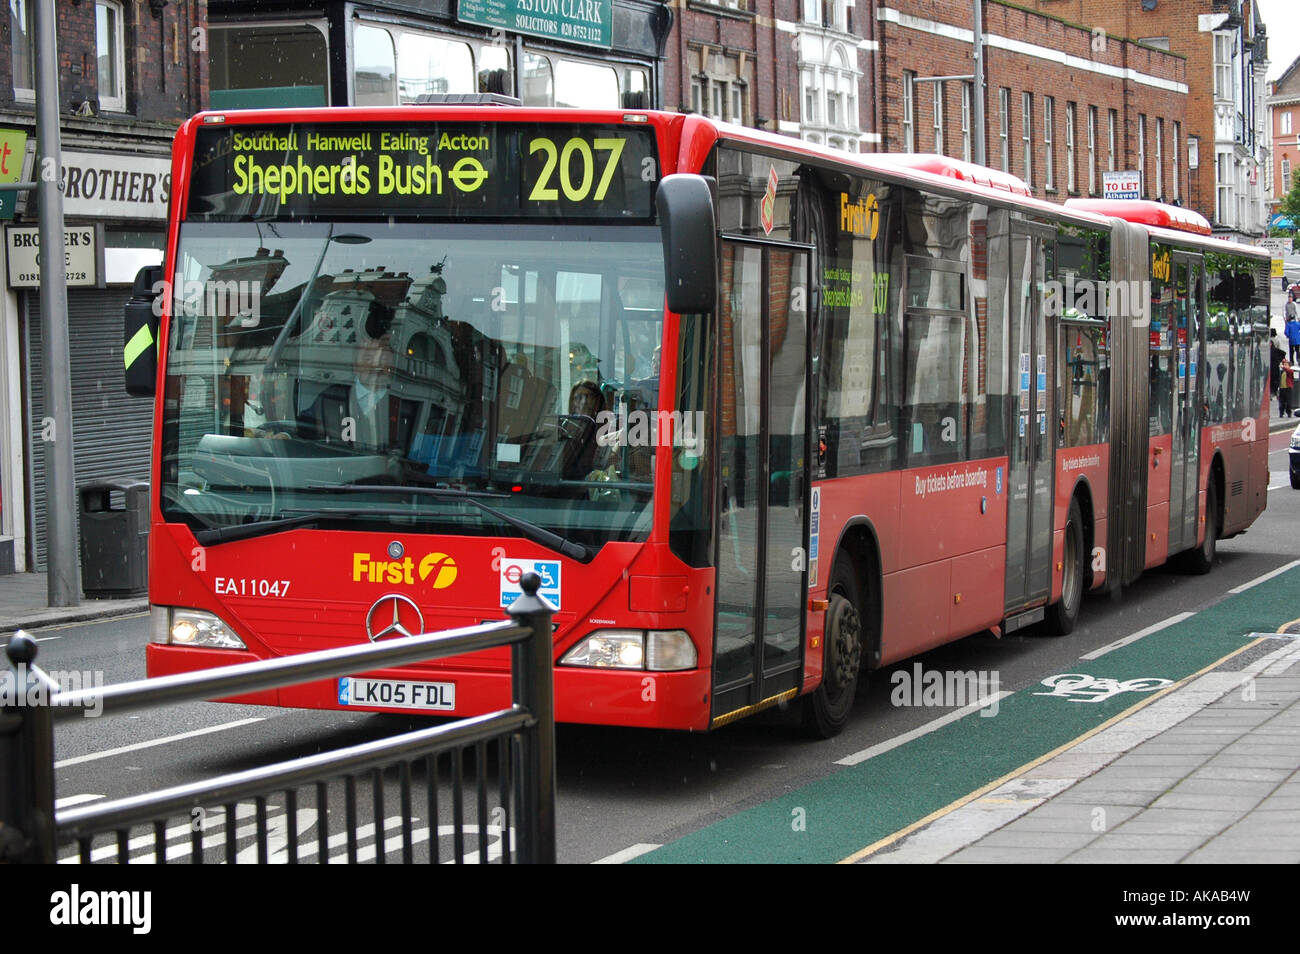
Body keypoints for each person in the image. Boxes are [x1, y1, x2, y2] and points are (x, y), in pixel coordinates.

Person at [1271, 328, 1286, 414]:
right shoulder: (1277, 340)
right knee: (1276, 377)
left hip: (1271, 362)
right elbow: (1280, 349)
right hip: (1276, 361)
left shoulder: (1269, 340)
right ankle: (1276, 393)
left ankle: (1272, 393)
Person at [1287, 294, 1300, 362]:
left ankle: (1292, 361)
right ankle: (1298, 359)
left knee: (1291, 351)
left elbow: (1286, 332)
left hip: (1291, 340)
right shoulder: (1298, 324)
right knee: (1298, 350)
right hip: (1297, 340)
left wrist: (1288, 335)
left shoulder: (1288, 325)